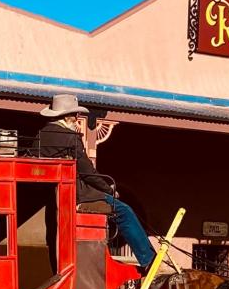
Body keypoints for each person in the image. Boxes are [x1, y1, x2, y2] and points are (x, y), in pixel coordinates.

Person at [37, 94, 156, 271]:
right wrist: (109, 189)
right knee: (124, 210)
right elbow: (87, 173)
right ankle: (148, 258)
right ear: (68, 116)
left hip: (52, 195)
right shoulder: (70, 137)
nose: (77, 119)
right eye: (75, 115)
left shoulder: (41, 135)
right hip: (77, 195)